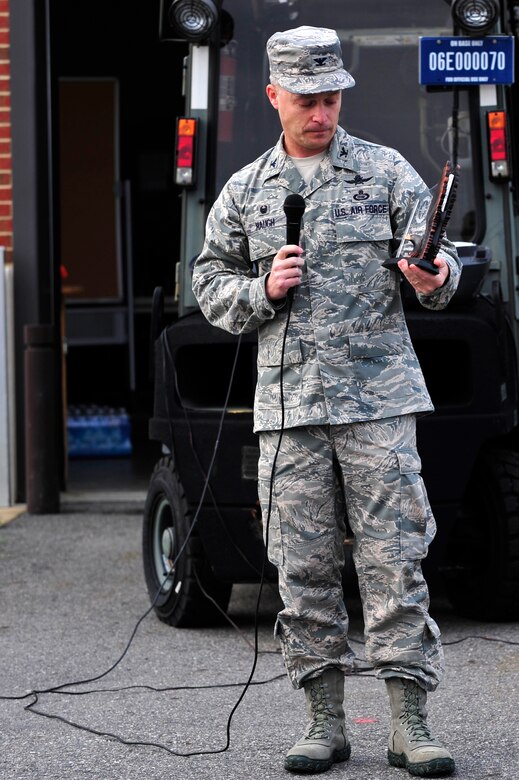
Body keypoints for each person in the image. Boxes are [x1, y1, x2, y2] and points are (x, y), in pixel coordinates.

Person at [192, 25, 460, 777]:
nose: (321, 113)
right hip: (290, 410)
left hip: (378, 401)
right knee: (302, 568)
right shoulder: (246, 190)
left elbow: (438, 260)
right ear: (274, 96)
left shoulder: (385, 172)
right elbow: (207, 283)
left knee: (395, 560)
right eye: (307, 100)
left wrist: (436, 278)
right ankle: (322, 721)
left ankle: (409, 723)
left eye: (332, 98)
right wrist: (260, 289)